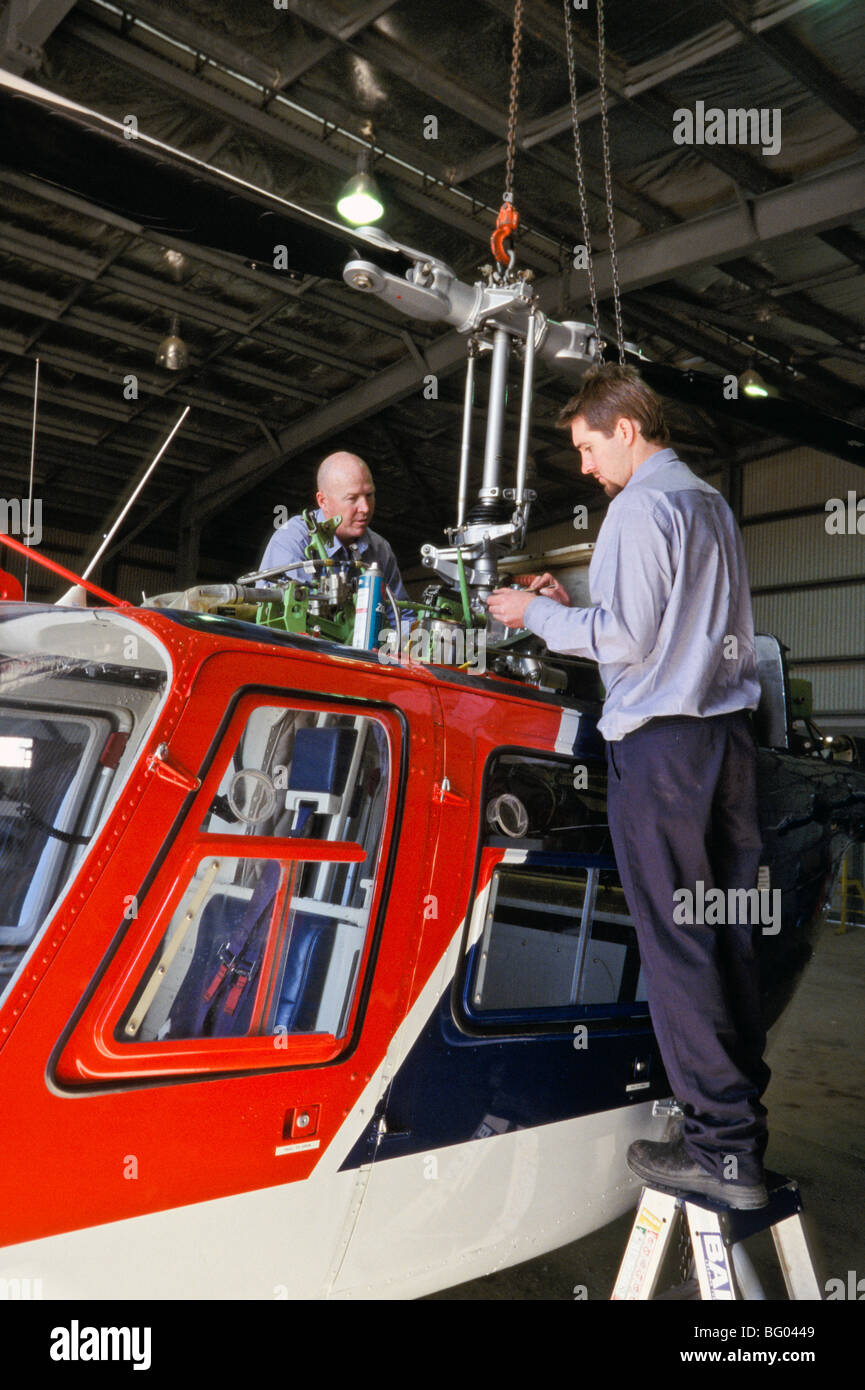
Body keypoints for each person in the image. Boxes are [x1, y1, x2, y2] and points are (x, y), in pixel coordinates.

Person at [487, 364, 769, 1210]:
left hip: (662, 752)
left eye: (584, 446)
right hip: (725, 744)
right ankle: (736, 1128)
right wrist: (571, 597)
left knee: (675, 944)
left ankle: (721, 1154)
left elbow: (627, 640)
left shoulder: (638, 506)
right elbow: (668, 620)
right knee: (724, 934)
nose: (582, 467)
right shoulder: (705, 502)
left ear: (623, 429)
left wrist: (529, 614)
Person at [258, 451, 409, 601]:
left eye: (369, 495)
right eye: (352, 498)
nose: (365, 508)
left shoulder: (380, 550)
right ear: (323, 501)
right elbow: (292, 612)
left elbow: (401, 614)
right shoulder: (292, 540)